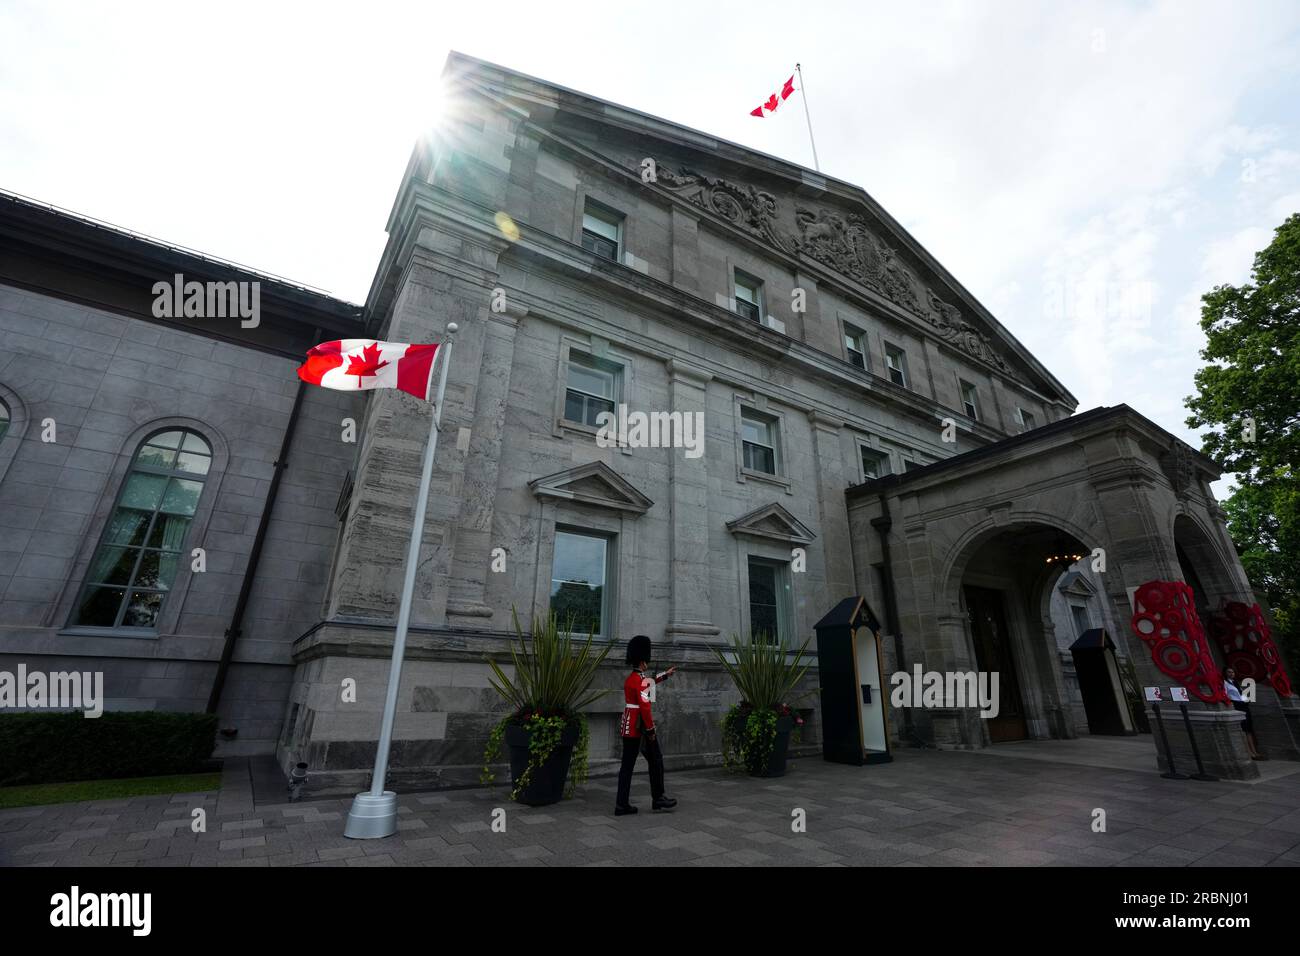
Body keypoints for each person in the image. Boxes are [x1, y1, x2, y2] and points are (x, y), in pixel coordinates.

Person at [615, 634, 678, 816]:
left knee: (627, 766)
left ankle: (622, 803)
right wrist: (650, 730)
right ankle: (658, 798)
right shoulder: (640, 681)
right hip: (639, 726)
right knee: (656, 759)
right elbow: (645, 707)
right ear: (643, 661)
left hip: (630, 724)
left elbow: (648, 682)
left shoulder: (633, 678)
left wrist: (665, 675)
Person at [1223, 668, 1265, 760]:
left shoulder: (1235, 682)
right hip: (1236, 705)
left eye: (1233, 672)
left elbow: (1241, 693)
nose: (1231, 673)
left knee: (1249, 729)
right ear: (1225, 673)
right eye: (1229, 672)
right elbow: (1226, 695)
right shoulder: (1225, 683)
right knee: (1243, 729)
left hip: (1244, 705)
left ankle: (1255, 752)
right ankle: (1250, 753)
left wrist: (1246, 700)